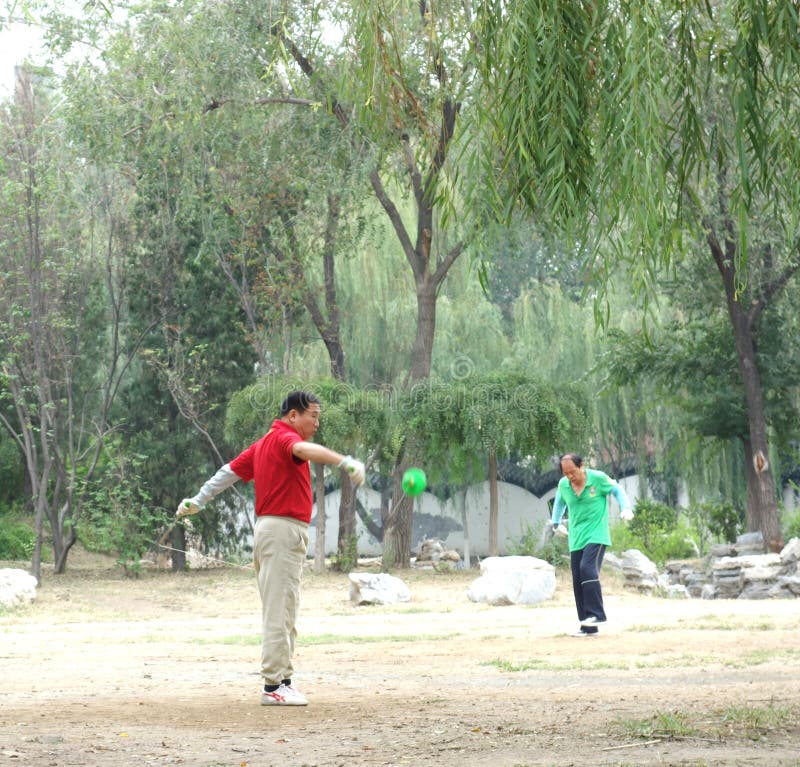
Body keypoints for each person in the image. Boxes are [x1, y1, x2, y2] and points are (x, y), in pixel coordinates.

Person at [175, 389, 365, 706]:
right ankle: (274, 686)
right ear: (293, 415)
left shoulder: (263, 444)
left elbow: (227, 473)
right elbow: (304, 449)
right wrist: (343, 461)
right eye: (313, 416)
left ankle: (282, 681)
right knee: (280, 608)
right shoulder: (282, 440)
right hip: (280, 532)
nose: (317, 423)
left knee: (285, 606)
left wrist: (199, 499)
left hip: (274, 531)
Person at [550, 452, 633, 637]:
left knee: (587, 568)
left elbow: (617, 490)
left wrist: (626, 508)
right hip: (576, 537)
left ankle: (597, 614)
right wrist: (555, 524)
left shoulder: (598, 478)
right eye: (566, 473)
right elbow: (559, 503)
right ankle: (587, 625)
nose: (570, 476)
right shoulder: (564, 485)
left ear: (582, 466)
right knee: (578, 578)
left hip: (597, 534)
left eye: (572, 471)